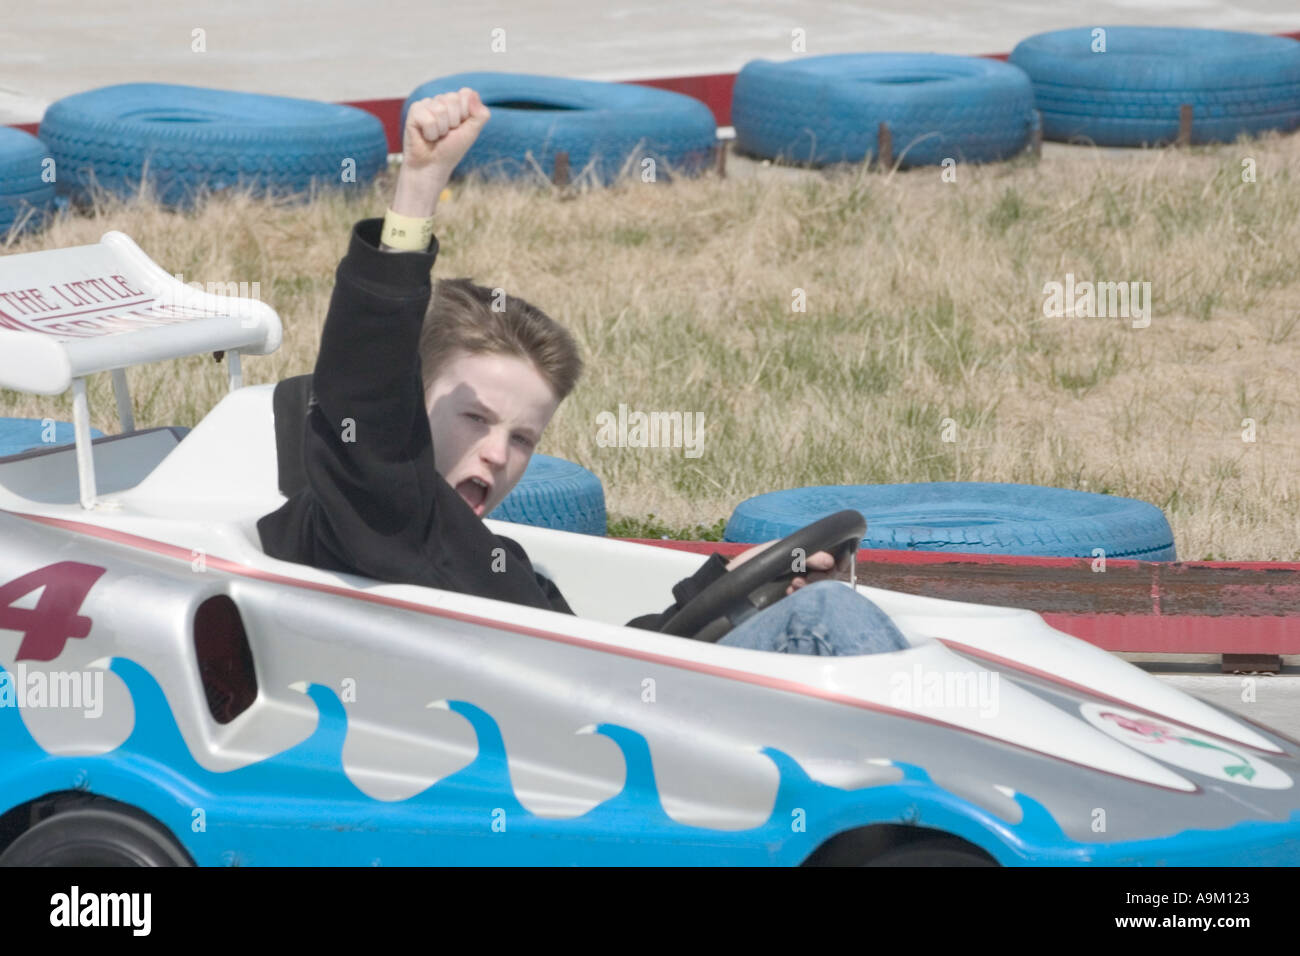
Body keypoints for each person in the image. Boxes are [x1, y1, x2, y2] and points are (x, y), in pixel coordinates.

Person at [257, 88, 907, 656]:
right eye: (476, 419)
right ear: (410, 409)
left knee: (811, 611)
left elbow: (611, 660)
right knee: (828, 619)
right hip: (517, 772)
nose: (497, 455)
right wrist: (420, 184)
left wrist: (749, 591)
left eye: (522, 438)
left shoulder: (499, 565)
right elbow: (366, 391)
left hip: (584, 735)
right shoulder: (371, 519)